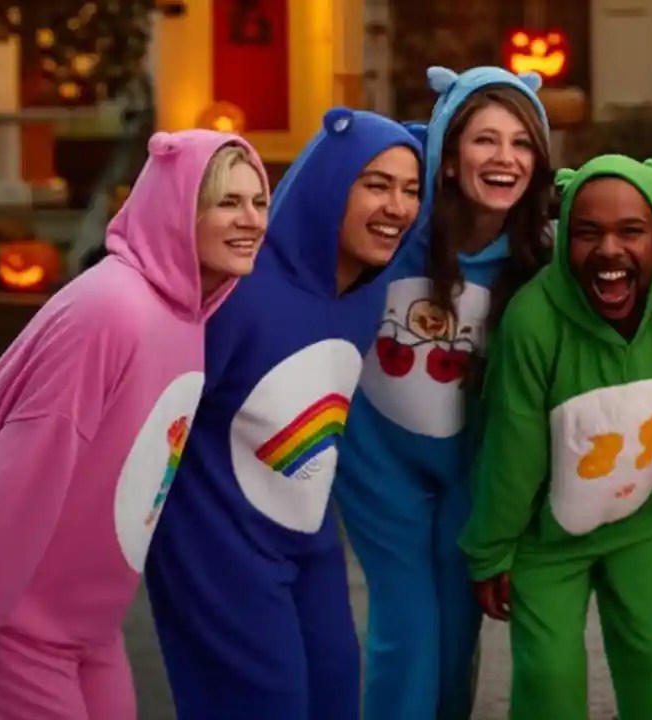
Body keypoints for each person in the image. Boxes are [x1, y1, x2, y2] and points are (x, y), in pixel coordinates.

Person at [0, 130, 268, 717]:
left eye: (259, 202)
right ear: (177, 210)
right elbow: (15, 487)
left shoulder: (187, 317)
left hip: (89, 633)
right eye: (227, 202)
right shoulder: (110, 311)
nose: (250, 220)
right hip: (15, 634)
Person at [143, 109, 423, 720]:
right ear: (330, 182)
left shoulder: (373, 288)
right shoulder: (235, 288)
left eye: (410, 190)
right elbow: (145, 414)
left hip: (309, 542)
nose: (398, 206)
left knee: (334, 693)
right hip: (216, 549)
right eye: (376, 184)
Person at [459, 154, 652, 720]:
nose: (610, 250)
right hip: (546, 535)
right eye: (588, 233)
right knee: (548, 680)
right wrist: (490, 552)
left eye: (631, 231)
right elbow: (514, 449)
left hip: (647, 521)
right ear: (565, 241)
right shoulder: (533, 320)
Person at [333, 65, 551, 720]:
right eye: (485, 140)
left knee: (457, 632)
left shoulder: (538, 258)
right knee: (406, 628)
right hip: (379, 465)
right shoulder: (395, 234)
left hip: (471, 474)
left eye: (521, 142)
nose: (504, 158)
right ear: (450, 157)